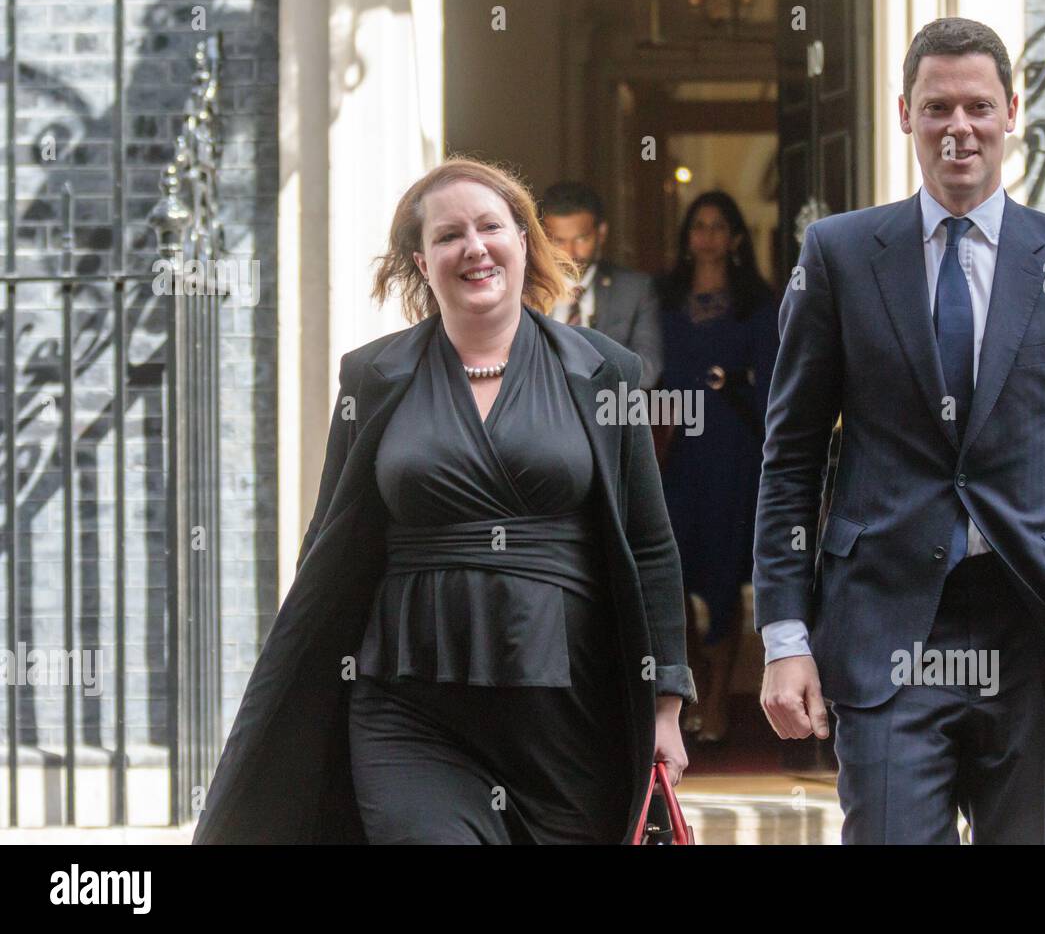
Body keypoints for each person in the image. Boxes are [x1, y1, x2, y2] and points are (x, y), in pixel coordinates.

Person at [754, 17, 1045, 843]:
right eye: (937, 107)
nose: (959, 129)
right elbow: (790, 459)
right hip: (885, 633)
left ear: (1013, 110)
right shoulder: (838, 254)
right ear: (905, 113)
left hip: (1035, 632)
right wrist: (783, 634)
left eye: (978, 107)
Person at [193, 156, 694, 844]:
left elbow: (649, 542)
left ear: (524, 240)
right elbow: (331, 539)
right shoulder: (374, 375)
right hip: (408, 705)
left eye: (492, 227)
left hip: (571, 713)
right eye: (448, 235)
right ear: (422, 263)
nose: (474, 247)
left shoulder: (605, 369)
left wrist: (666, 701)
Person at [657, 190, 778, 744]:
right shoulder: (663, 298)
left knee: (726, 569)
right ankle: (693, 682)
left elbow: (775, 383)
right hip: (674, 449)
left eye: (717, 226)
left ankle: (724, 693)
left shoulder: (757, 302)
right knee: (671, 567)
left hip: (731, 449)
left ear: (734, 238)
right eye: (697, 226)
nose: (706, 236)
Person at [540, 181, 663, 389]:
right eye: (559, 241)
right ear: (543, 237)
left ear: (601, 233)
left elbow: (648, 371)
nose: (570, 253)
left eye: (581, 239)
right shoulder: (522, 289)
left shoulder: (634, 289)